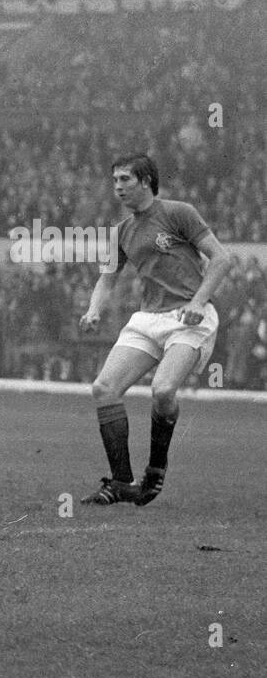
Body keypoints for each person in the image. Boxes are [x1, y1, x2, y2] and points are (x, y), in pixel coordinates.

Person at [79, 154, 231, 506]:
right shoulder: (121, 231)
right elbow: (106, 279)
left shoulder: (179, 212)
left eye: (125, 179)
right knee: (103, 388)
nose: (117, 187)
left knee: (162, 391)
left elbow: (222, 259)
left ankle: (156, 471)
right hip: (148, 319)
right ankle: (119, 482)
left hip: (188, 319)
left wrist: (198, 302)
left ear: (146, 181)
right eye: (114, 180)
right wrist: (93, 310)